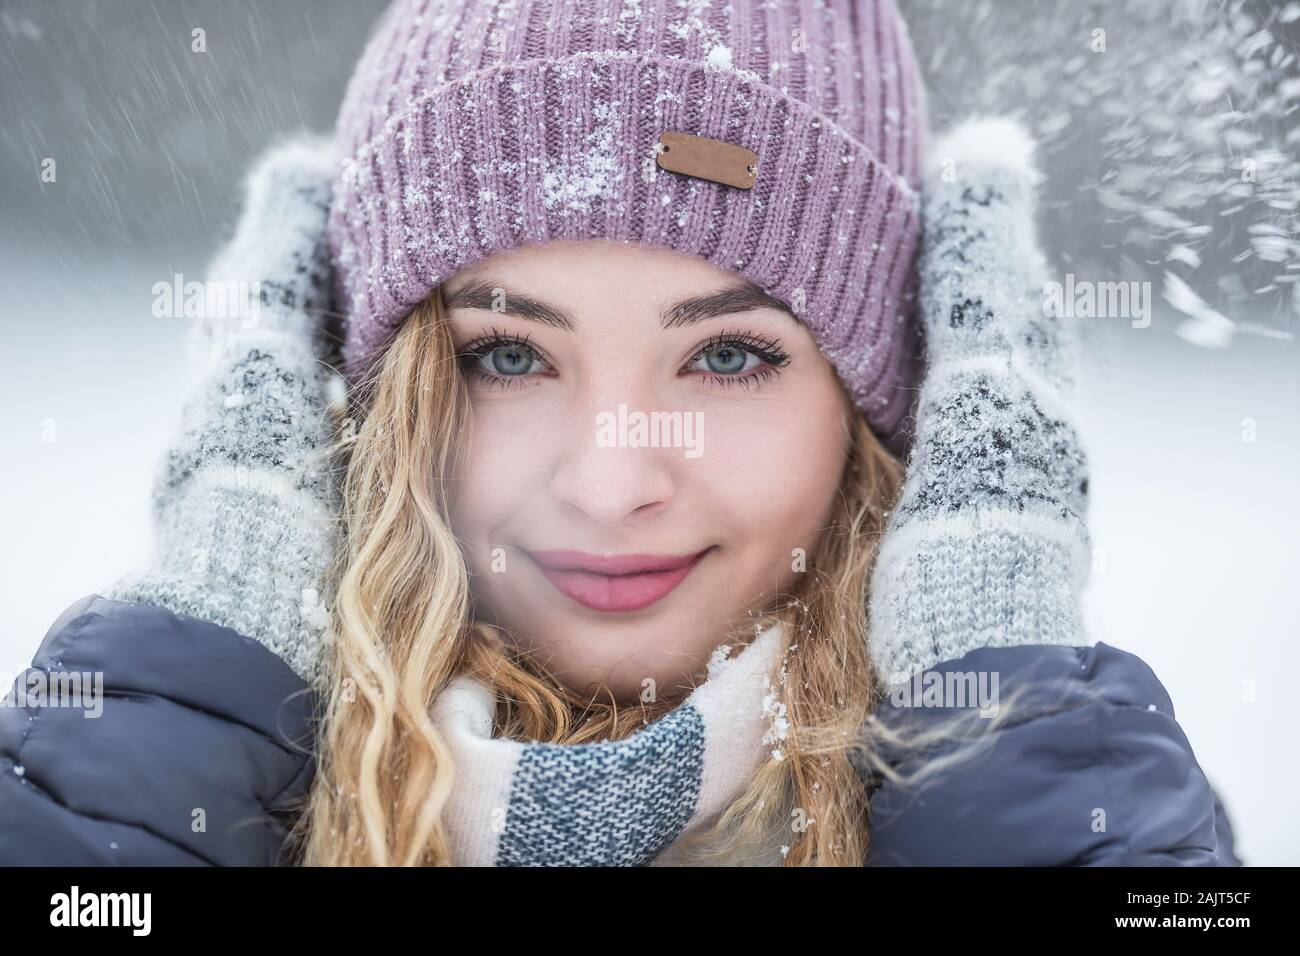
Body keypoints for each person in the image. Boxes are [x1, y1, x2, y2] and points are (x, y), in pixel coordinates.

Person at [0, 0, 1239, 867]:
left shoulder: (1089, 822)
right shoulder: (217, 805)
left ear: (900, 397)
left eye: (729, 354)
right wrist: (204, 672)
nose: (608, 480)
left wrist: (996, 716)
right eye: (505, 354)